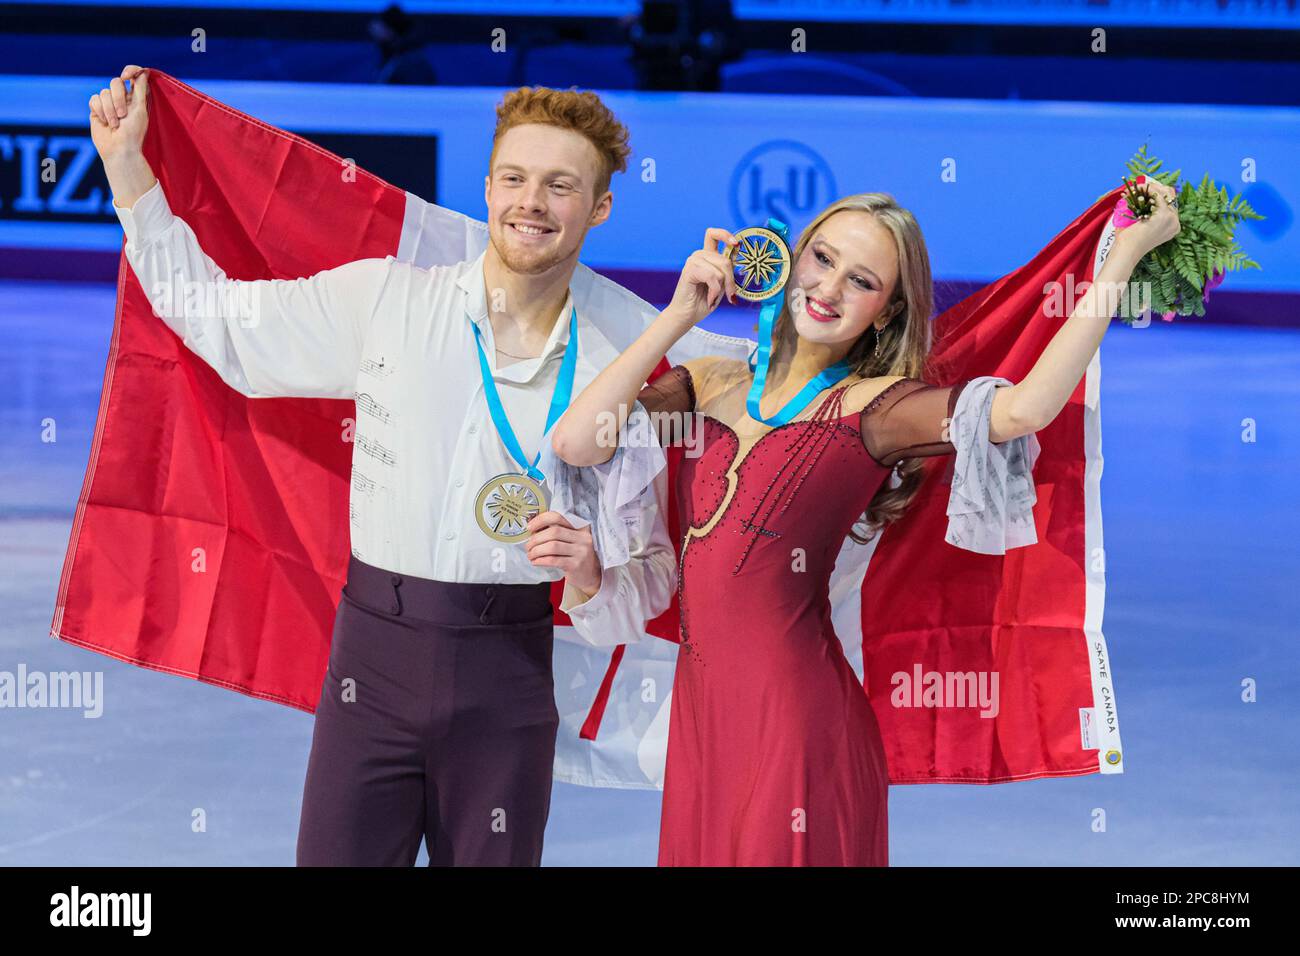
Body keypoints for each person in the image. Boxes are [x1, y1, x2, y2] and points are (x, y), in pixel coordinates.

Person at [87, 66, 679, 866]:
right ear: (488, 186)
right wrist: (129, 171)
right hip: (370, 662)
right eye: (514, 178)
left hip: (507, 672)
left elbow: (644, 583)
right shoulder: (388, 302)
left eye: (560, 186)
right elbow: (224, 326)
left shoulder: (614, 371)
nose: (531, 202)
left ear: (600, 206)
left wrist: (592, 578)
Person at [550, 184, 1179, 865]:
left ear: (886, 313)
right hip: (704, 723)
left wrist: (1118, 261)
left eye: (863, 281)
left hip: (798, 722)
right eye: (821, 258)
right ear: (790, 259)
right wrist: (677, 316)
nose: (828, 289)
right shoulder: (708, 382)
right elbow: (577, 444)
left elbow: (1023, 412)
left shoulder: (879, 410)